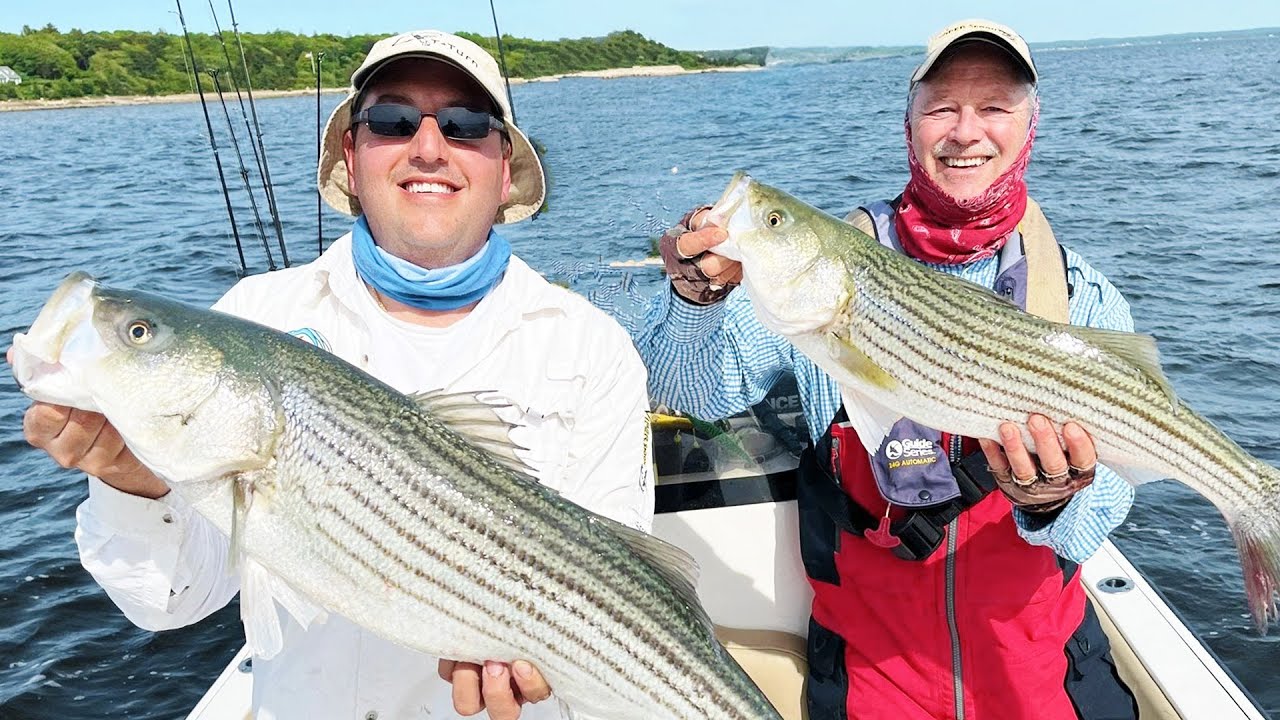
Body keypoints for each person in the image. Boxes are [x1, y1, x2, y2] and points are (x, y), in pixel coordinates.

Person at [14, 30, 653, 720]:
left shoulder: (591, 345)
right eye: (391, 120)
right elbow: (169, 602)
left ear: (504, 170)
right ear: (350, 156)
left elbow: (622, 582)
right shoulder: (261, 312)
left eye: (467, 124)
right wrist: (132, 482)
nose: (429, 148)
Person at [635, 19, 1140, 720]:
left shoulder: (1081, 293)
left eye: (994, 107)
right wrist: (698, 298)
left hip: (1039, 675)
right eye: (942, 107)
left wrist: (1054, 503)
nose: (966, 131)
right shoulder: (833, 270)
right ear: (909, 123)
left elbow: (1103, 511)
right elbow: (693, 391)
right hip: (873, 680)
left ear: (1030, 126)